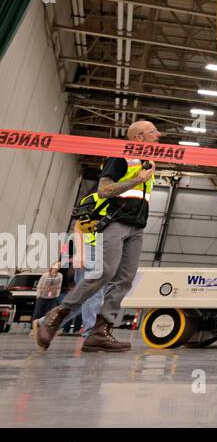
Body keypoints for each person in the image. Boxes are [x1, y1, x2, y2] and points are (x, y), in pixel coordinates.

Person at [36, 119, 162, 353]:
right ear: (139, 137)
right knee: (104, 272)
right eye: (154, 132)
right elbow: (104, 190)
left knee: (125, 278)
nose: (159, 135)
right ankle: (55, 316)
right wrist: (137, 179)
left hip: (137, 227)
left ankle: (99, 332)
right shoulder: (120, 157)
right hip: (115, 223)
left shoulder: (149, 161)